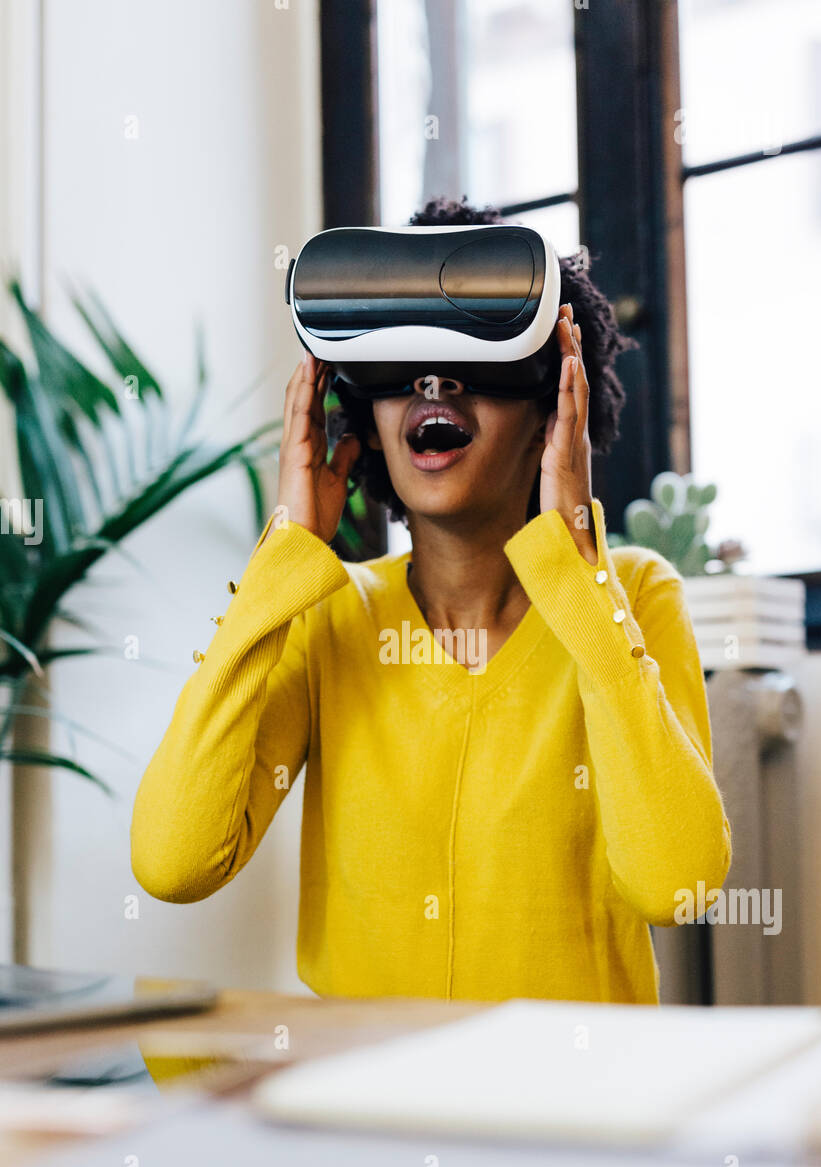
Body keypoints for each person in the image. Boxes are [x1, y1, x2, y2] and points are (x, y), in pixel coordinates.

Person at [130, 197, 731, 1003]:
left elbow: (676, 885)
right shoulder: (325, 616)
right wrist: (284, 555)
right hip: (371, 1097)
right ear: (361, 418)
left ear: (555, 409)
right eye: (399, 369)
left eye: (477, 361)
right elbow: (174, 861)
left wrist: (582, 578)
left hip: (570, 1100)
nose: (434, 384)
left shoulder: (633, 596)